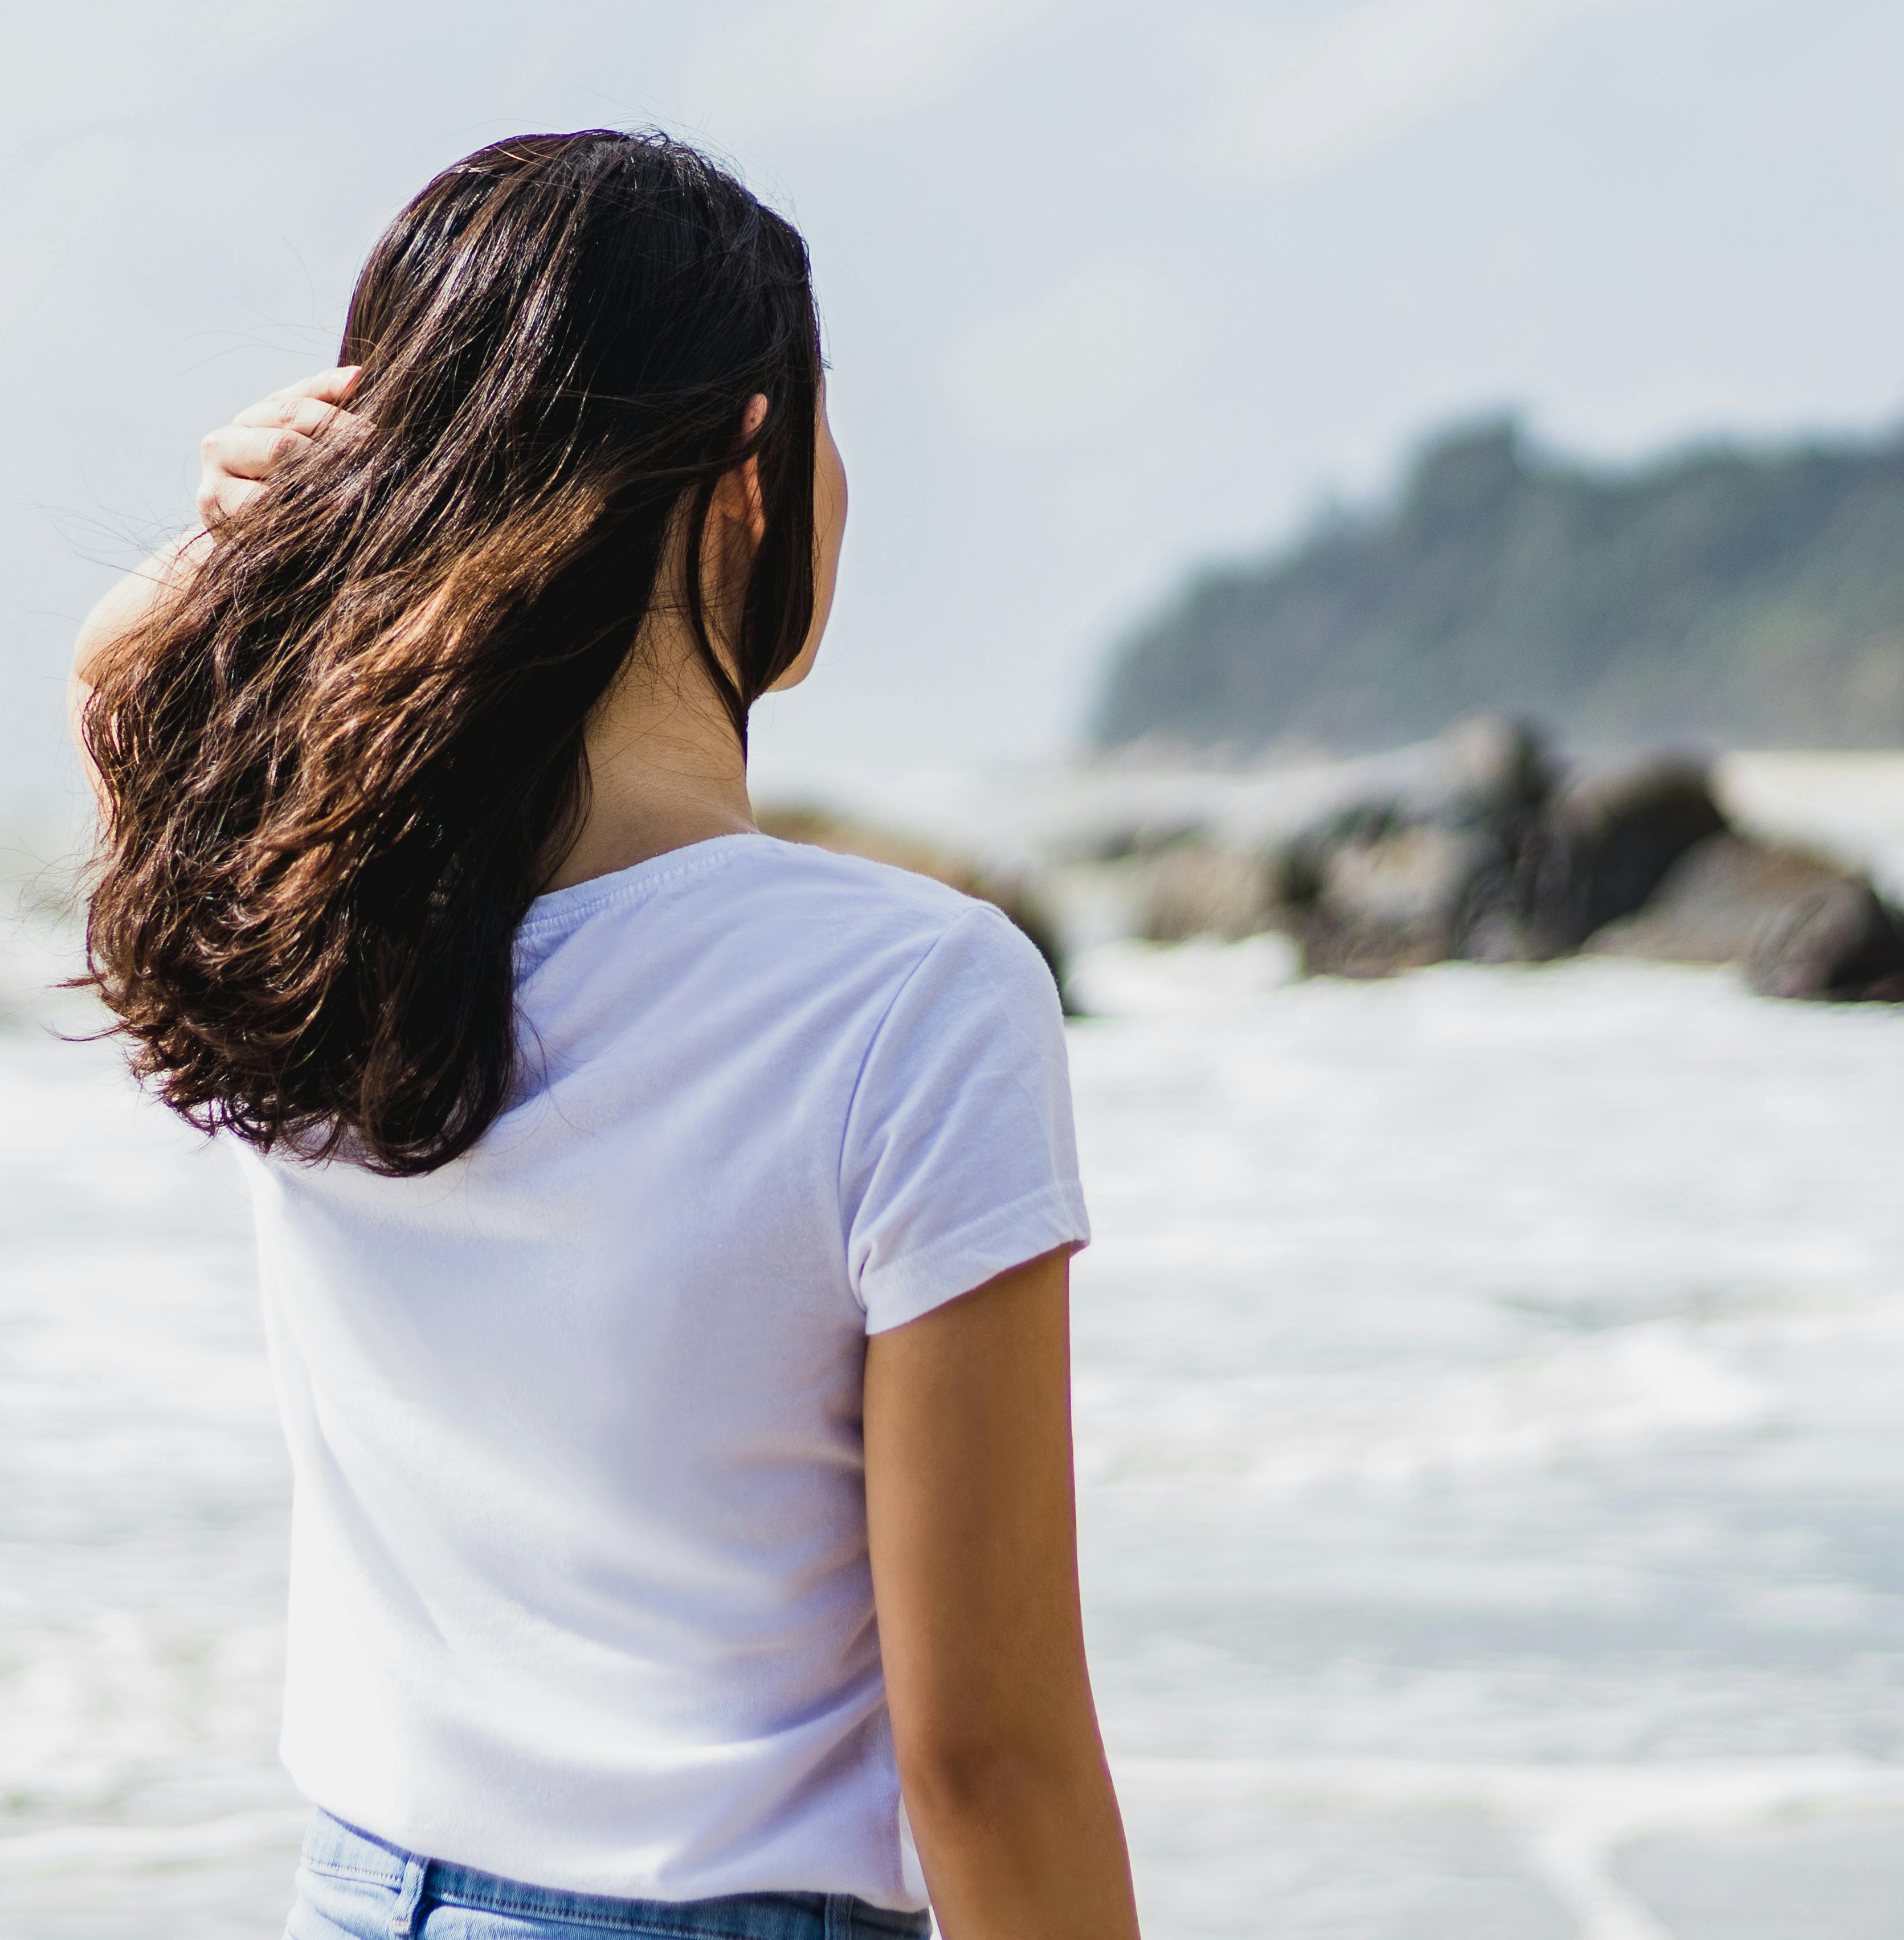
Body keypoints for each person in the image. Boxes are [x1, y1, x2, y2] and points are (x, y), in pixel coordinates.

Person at [71, 131, 1138, 1940]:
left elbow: (122, 693)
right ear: (751, 460)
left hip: (364, 1898)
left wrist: (244, 543)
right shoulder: (914, 994)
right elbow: (988, 1761)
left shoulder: (307, 933)